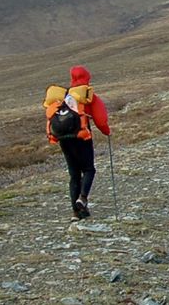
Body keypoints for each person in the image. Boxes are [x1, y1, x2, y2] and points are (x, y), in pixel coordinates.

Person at [45, 65, 111, 220]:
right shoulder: (87, 96)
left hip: (64, 139)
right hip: (82, 138)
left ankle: (76, 212)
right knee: (89, 170)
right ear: (87, 78)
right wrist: (107, 131)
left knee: (74, 174)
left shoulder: (62, 96)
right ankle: (82, 198)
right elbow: (100, 119)